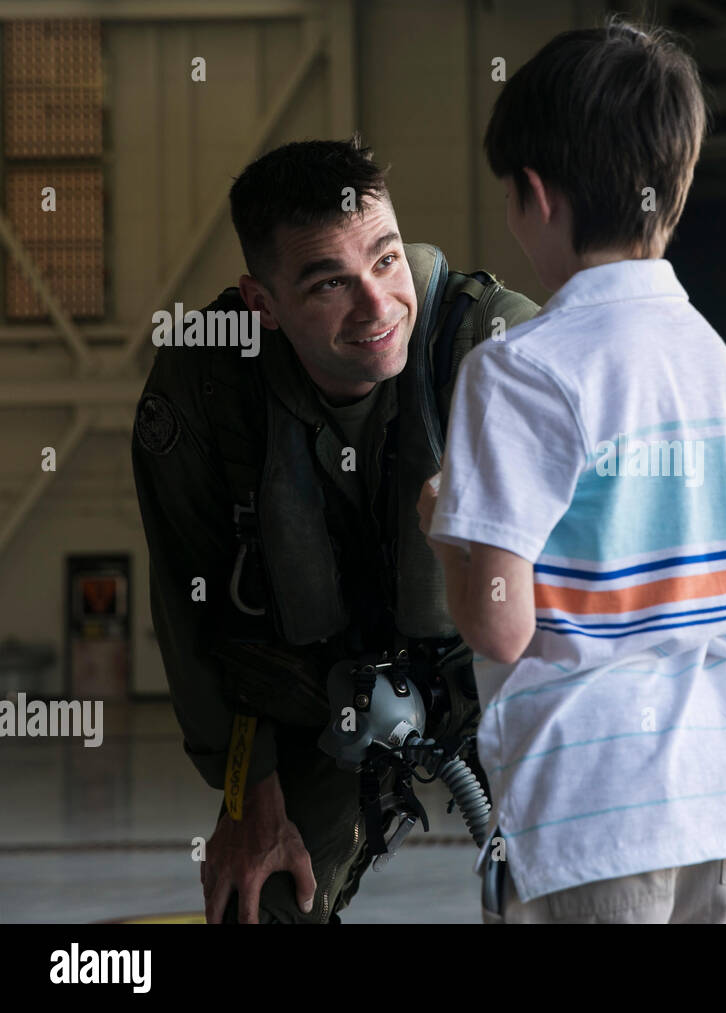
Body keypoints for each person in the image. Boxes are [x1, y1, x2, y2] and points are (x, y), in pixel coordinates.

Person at [420, 20, 726, 924]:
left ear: (535, 196)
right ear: (675, 185)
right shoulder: (717, 364)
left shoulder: (519, 368)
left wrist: (447, 531)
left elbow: (502, 630)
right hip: (717, 804)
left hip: (583, 818)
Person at [131, 137, 538, 923]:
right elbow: (188, 607)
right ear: (263, 303)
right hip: (313, 695)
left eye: (385, 260)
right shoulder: (206, 385)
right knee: (260, 905)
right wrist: (247, 790)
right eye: (330, 284)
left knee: (574, 886)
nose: (378, 307)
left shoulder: (498, 345)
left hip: (492, 671)